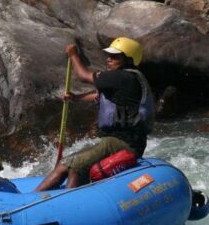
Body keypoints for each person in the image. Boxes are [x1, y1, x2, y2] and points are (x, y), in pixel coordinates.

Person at [35, 37, 154, 191]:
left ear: (129, 60)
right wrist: (76, 98)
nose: (109, 59)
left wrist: (73, 55)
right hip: (128, 142)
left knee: (65, 164)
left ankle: (30, 200)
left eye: (115, 57)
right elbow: (102, 97)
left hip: (121, 142)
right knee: (77, 168)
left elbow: (83, 76)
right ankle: (71, 197)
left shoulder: (120, 77)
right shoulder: (131, 79)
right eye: (109, 55)